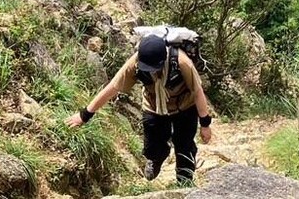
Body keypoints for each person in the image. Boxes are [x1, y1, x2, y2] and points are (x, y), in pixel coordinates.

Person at [66, 33, 215, 185]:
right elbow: (113, 87)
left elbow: (197, 92)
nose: (152, 71)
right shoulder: (136, 62)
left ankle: (185, 182)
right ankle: (157, 158)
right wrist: (85, 115)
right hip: (153, 105)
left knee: (184, 145)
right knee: (152, 146)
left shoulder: (182, 62)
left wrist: (205, 124)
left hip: (185, 106)